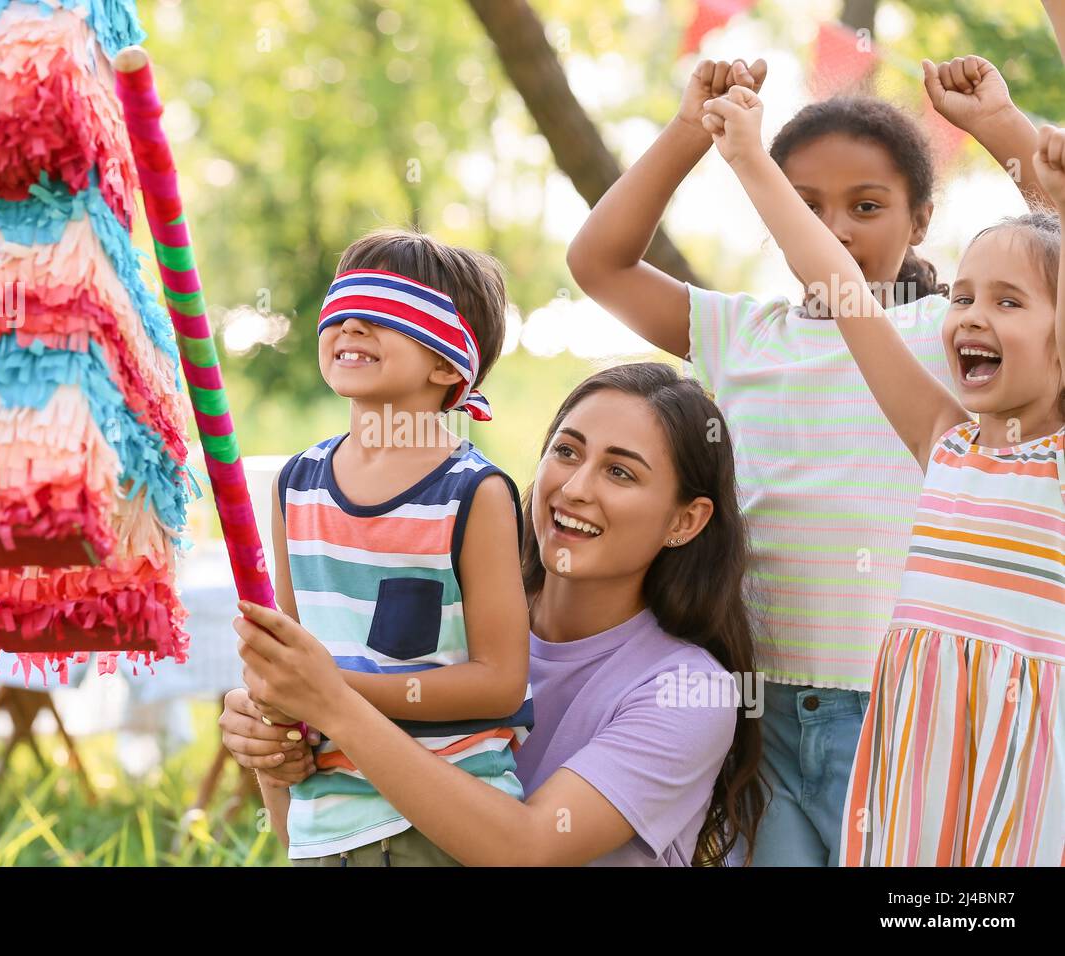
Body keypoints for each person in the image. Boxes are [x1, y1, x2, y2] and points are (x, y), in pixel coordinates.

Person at [564, 54, 1043, 865]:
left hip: (903, 713)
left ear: (921, 218)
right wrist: (693, 129)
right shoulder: (738, 334)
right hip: (765, 714)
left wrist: (999, 128)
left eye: (866, 206)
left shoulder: (949, 332)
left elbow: (1050, 256)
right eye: (806, 206)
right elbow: (598, 263)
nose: (836, 231)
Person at [703, 79, 1065, 865]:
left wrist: (1009, 132)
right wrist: (748, 162)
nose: (969, 316)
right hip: (913, 776)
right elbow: (842, 289)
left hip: (1025, 785)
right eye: (964, 297)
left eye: (1009, 303)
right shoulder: (946, 445)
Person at [225, 363, 765, 866]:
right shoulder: (452, 615)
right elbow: (308, 835)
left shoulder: (688, 691)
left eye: (620, 473)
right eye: (568, 453)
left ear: (686, 520)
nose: (574, 490)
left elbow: (525, 849)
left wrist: (334, 702)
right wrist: (277, 752)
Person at [258, 228, 532, 865]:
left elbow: (501, 683)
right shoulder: (295, 484)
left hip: (444, 824)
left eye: (383, 313)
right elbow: (288, 656)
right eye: (342, 310)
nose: (352, 325)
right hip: (324, 826)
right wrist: (274, 705)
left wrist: (330, 693)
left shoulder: (475, 493)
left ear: (447, 362)